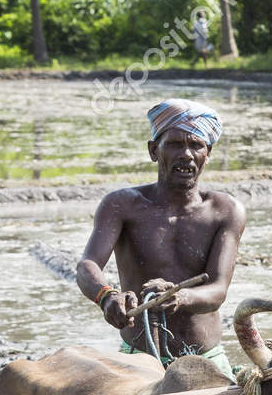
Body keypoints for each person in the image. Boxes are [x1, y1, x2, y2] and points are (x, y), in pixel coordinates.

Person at [76, 99, 246, 379]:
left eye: (196, 145)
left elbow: (218, 291)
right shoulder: (121, 204)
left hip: (206, 356)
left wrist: (179, 296)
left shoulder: (225, 211)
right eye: (175, 144)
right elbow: (87, 266)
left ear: (208, 153)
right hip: (138, 358)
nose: (187, 154)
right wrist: (107, 297)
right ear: (154, 151)